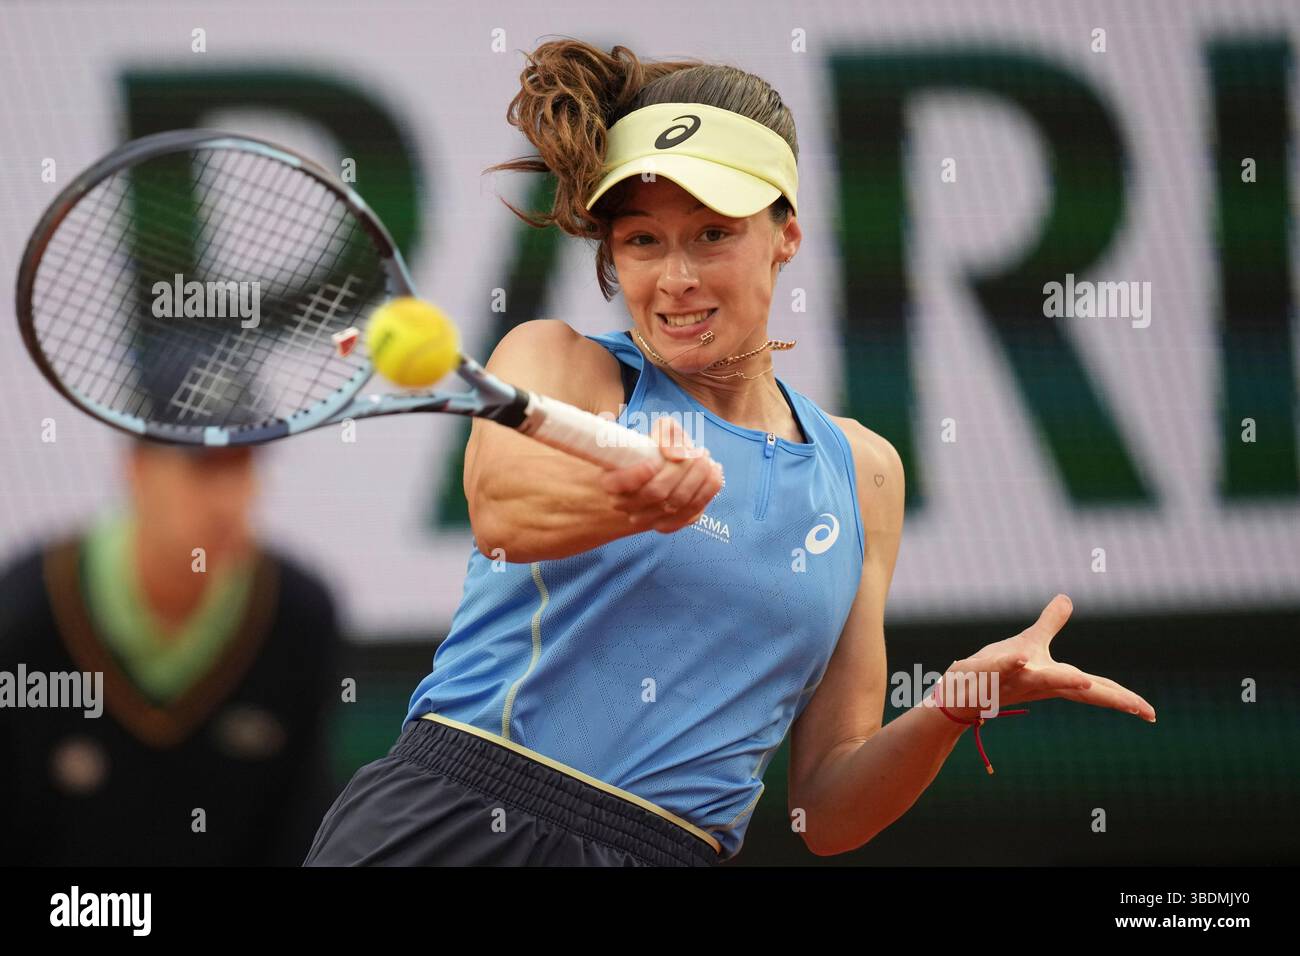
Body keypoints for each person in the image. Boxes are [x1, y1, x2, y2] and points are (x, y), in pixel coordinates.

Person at [304, 39, 1155, 867]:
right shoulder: (564, 362)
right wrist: (635, 500)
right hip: (458, 821)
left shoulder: (864, 473)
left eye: (713, 233)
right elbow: (503, 513)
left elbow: (826, 811)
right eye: (642, 240)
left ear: (786, 234)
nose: (675, 276)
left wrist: (955, 704)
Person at [0, 441, 343, 865]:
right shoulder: (26, 614)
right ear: (137, 470)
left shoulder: (300, 614)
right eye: (203, 468)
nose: (227, 500)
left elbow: (301, 830)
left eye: (243, 466)